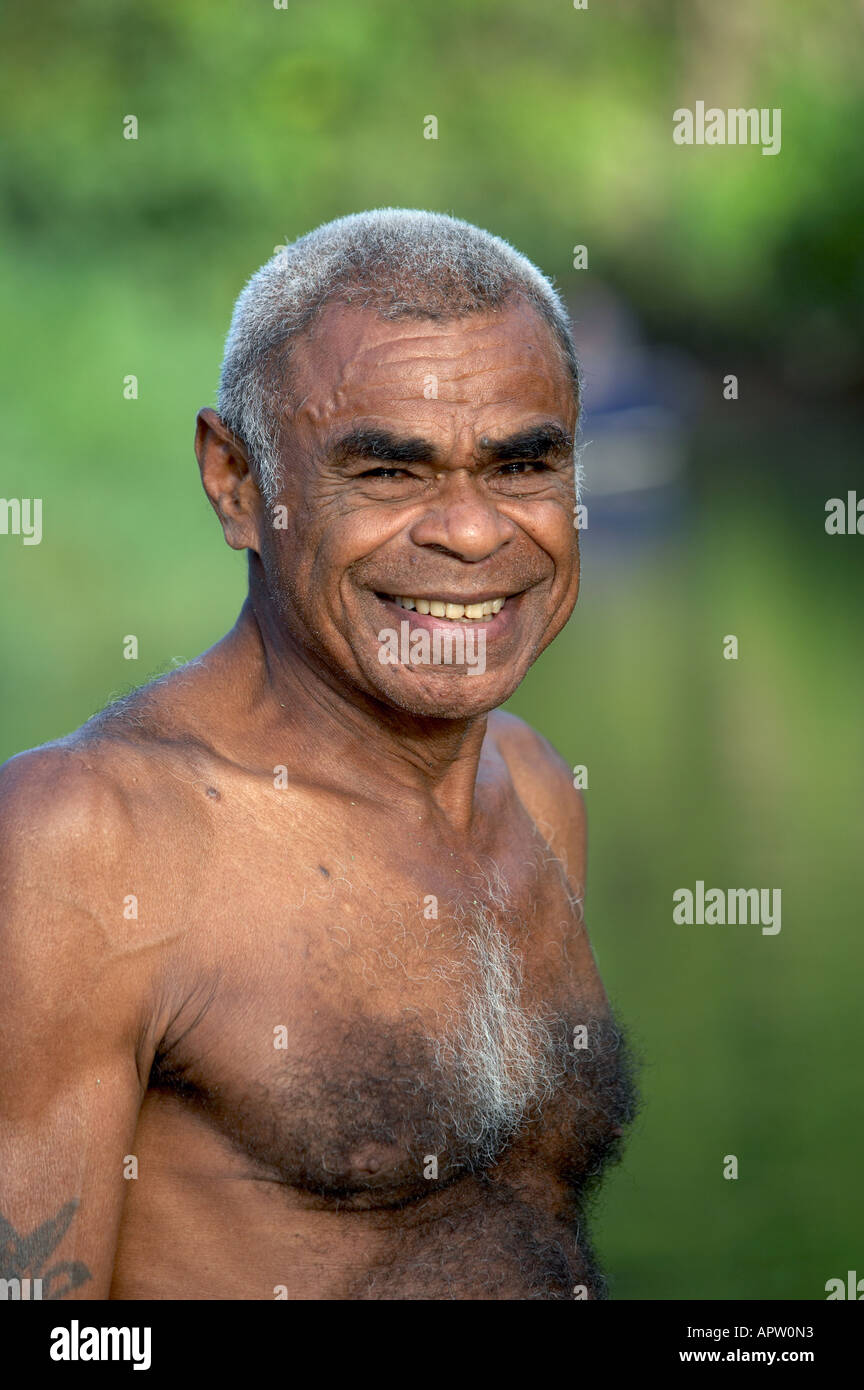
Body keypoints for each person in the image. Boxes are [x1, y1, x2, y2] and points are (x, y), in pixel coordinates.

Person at [0, 209, 637, 1301]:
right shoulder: (87, 839)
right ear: (237, 483)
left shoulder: (531, 785)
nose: (474, 533)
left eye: (523, 463)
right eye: (389, 474)